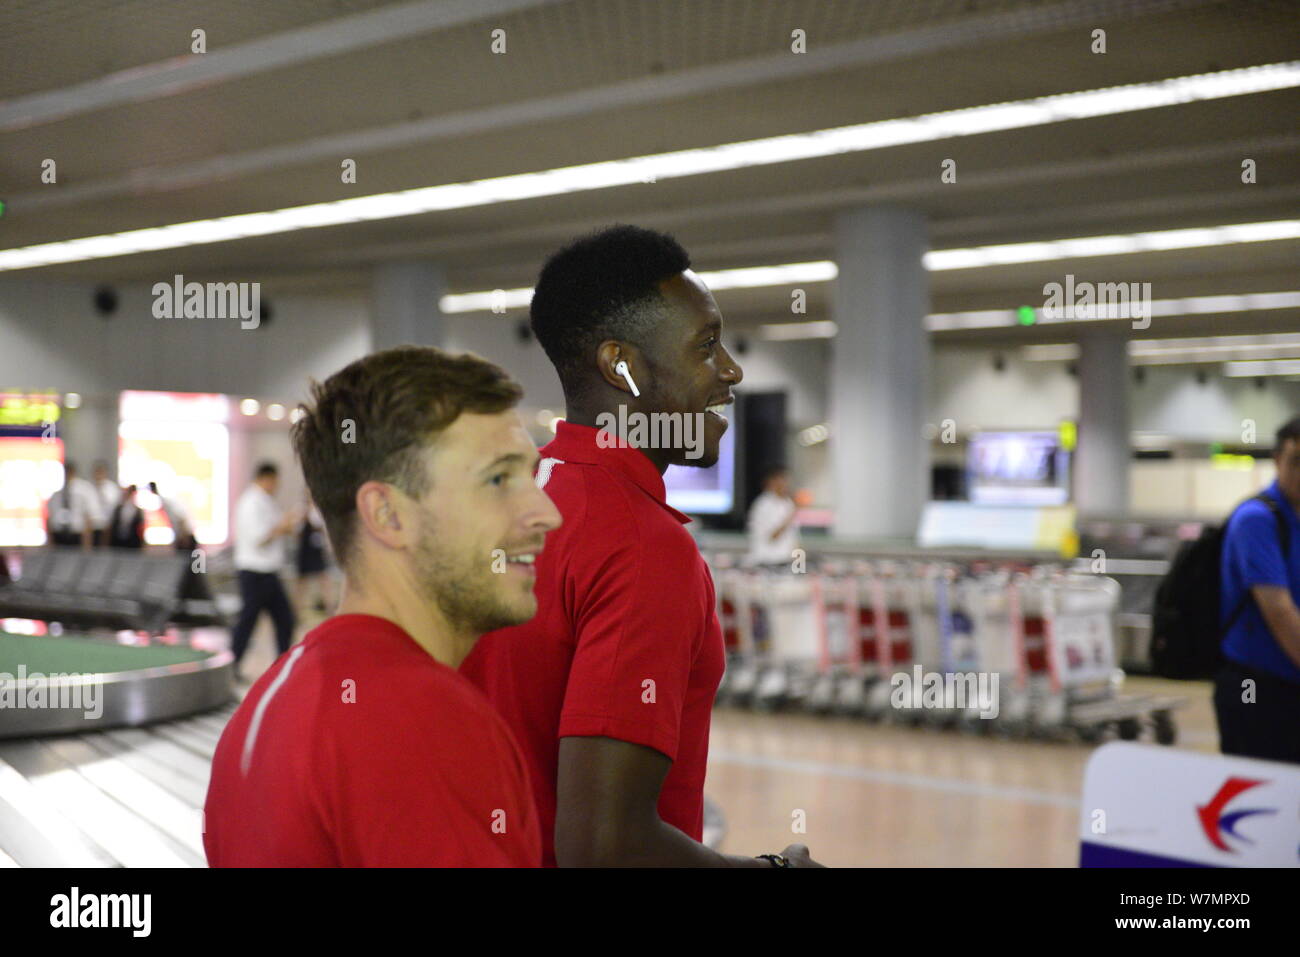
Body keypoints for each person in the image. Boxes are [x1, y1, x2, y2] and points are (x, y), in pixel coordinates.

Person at [461, 225, 821, 867]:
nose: (731, 371)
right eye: (706, 346)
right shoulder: (642, 545)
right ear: (620, 366)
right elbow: (604, 848)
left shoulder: (497, 505)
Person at [205, 346, 560, 866]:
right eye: (498, 479)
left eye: (533, 475)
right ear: (388, 515)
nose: (546, 512)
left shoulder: (269, 702)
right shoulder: (426, 722)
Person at [1215, 415, 1300, 764]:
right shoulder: (1257, 520)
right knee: (1261, 804)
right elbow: (1280, 615)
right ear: (1277, 460)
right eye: (1297, 461)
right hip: (1258, 690)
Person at [229, 463, 298, 680]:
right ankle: (233, 664)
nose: (276, 486)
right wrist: (283, 526)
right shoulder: (251, 503)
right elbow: (259, 538)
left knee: (284, 619)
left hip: (268, 571)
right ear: (266, 478)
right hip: (255, 572)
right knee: (248, 620)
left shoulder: (264, 502)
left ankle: (282, 668)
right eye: (275, 481)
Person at [746, 465, 800, 567]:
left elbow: (793, 537)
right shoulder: (763, 504)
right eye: (782, 480)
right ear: (772, 482)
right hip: (766, 561)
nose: (785, 484)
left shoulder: (787, 503)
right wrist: (790, 517)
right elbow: (772, 536)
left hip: (785, 561)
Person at [292, 496, 336, 618]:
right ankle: (295, 613)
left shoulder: (318, 510)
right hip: (305, 550)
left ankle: (330, 611)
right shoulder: (299, 509)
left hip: (316, 549)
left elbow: (322, 528)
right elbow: (295, 531)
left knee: (324, 580)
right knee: (301, 582)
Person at [46, 461, 98, 549]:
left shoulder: (84, 490)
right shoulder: (57, 494)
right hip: (58, 535)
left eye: (68, 472)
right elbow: (50, 517)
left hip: (76, 535)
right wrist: (50, 539)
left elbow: (89, 517)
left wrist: (87, 541)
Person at [148, 481, 194, 551]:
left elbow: (180, 519)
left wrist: (182, 536)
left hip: (185, 535)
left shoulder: (168, 503)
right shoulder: (167, 502)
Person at [107, 484, 145, 549]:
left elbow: (140, 527)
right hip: (117, 541)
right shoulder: (118, 509)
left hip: (133, 542)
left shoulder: (137, 510)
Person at [91, 461, 118, 547]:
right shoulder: (88, 487)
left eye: (101, 472)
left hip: (107, 525)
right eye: (97, 472)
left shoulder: (112, 489)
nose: (99, 475)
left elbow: (114, 508)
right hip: (91, 525)